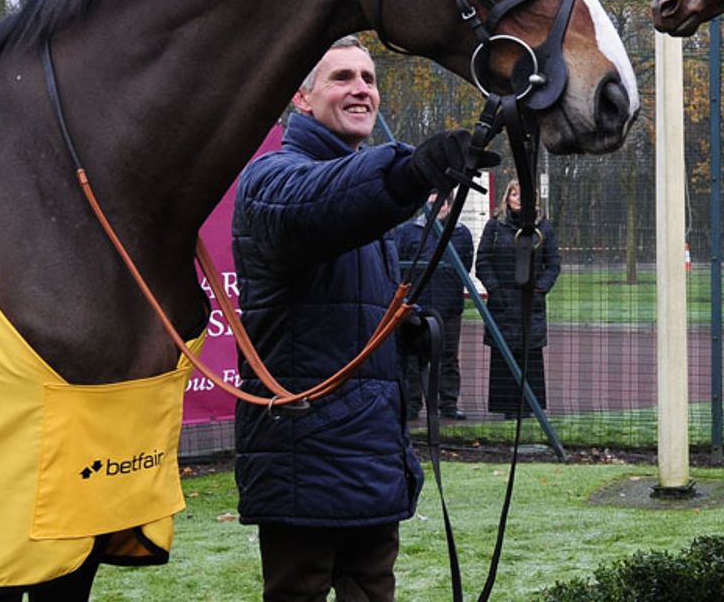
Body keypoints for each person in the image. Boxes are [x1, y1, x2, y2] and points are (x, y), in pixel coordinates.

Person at [230, 36, 495, 602]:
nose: (361, 89)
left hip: (370, 452)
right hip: (304, 455)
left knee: (374, 591)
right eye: (342, 77)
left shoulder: (361, 193)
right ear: (301, 98)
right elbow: (317, 206)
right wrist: (410, 172)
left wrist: (406, 329)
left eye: (369, 78)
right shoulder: (272, 178)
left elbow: (340, 300)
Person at [475, 178, 561, 416]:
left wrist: (540, 289)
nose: (519, 200)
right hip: (502, 301)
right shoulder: (495, 226)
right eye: (515, 194)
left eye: (524, 195)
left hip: (530, 302)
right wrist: (494, 288)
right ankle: (506, 408)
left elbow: (553, 264)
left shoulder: (543, 227)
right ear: (507, 197)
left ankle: (530, 406)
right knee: (503, 354)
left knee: (529, 354)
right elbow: (482, 259)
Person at [394, 190, 475, 421]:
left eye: (440, 204)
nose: (437, 208)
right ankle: (411, 404)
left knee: (448, 356)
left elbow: (465, 265)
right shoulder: (408, 232)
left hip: (449, 305)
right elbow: (399, 266)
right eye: (431, 204)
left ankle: (448, 403)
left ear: (449, 205)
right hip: (416, 304)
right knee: (412, 356)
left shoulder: (461, 234)